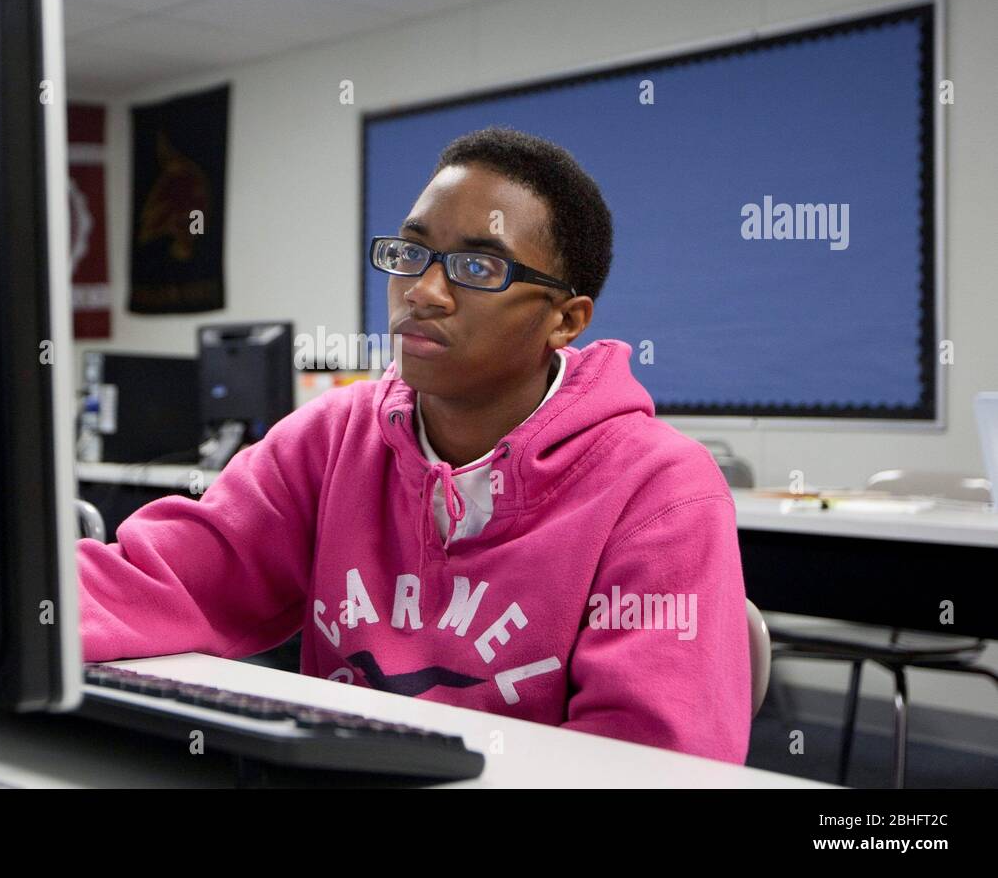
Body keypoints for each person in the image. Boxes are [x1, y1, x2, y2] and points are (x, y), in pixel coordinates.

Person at [77, 126, 751, 763]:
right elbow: (166, 581)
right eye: (411, 254)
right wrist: (3, 604)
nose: (422, 293)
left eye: (478, 267)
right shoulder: (334, 436)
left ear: (564, 321)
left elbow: (650, 764)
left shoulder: (660, 491)